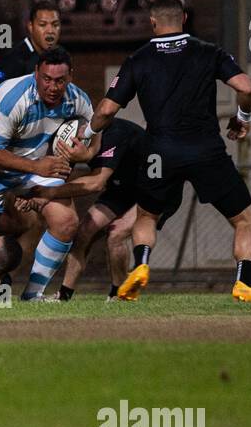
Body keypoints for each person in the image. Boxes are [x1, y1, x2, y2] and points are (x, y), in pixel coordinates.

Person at [87, 0, 251, 303]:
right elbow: (246, 87)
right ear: (184, 18)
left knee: (146, 217)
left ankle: (142, 265)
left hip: (159, 152)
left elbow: (105, 110)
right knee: (244, 220)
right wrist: (243, 118)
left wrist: (88, 133)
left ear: (153, 23)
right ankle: (244, 284)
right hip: (206, 151)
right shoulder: (208, 52)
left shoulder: (139, 59)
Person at [0, 46, 99, 300]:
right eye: (46, 79)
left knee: (66, 221)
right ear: (36, 73)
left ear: (70, 77)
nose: (53, 87)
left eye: (60, 80)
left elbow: (96, 131)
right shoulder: (13, 97)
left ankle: (32, 296)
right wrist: (38, 167)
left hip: (32, 164)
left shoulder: (77, 99)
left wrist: (86, 155)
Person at [14, 117, 168, 301]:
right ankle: (64, 295)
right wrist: (31, 197)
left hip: (153, 188)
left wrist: (49, 193)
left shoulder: (115, 133)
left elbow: (96, 183)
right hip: (121, 190)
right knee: (83, 232)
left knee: (115, 235)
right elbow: (56, 181)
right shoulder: (70, 142)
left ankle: (120, 296)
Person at [0, 0, 62, 116]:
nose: (50, 31)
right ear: (30, 26)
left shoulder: (59, 56)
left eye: (55, 25)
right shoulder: (12, 58)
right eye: (43, 25)